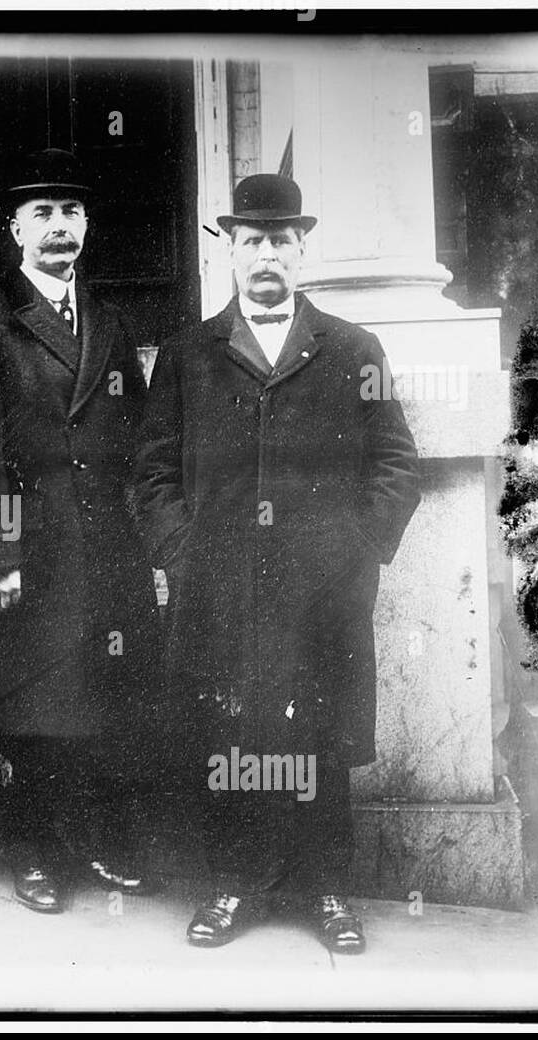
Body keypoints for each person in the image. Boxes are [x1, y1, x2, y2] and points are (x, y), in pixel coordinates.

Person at [134, 173, 422, 952]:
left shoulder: (354, 349)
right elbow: (155, 472)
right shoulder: (191, 353)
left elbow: (396, 463)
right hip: (221, 586)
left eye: (281, 240)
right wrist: (182, 555)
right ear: (230, 248)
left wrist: (360, 552)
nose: (267, 255)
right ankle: (234, 882)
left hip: (323, 588)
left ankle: (328, 889)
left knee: (320, 730)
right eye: (252, 240)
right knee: (233, 732)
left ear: (303, 250)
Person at [0, 148, 161, 914]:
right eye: (42, 215)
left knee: (99, 699)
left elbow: (138, 440)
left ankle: (89, 839)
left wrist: (148, 543)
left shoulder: (110, 320)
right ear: (15, 229)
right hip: (30, 554)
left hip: (107, 548)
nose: (58, 228)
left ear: (87, 225)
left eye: (70, 213)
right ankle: (31, 850)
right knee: (32, 705)